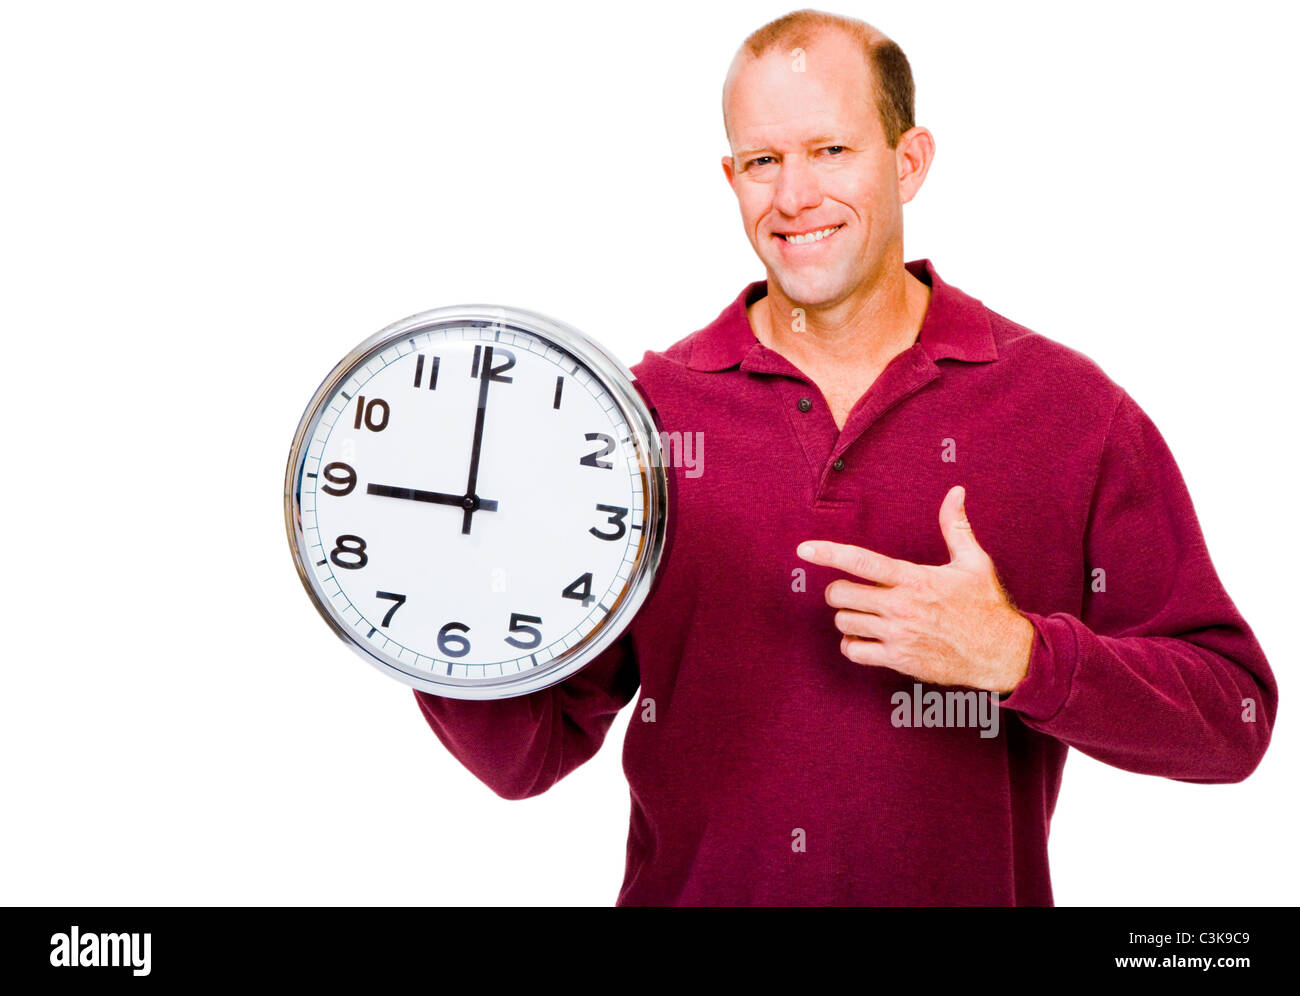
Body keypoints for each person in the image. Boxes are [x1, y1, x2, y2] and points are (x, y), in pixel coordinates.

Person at [414, 8, 1277, 905]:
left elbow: (1232, 721)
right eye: (762, 161)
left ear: (909, 162)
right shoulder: (637, 422)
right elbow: (530, 755)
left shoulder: (1067, 410)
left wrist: (1017, 655)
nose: (793, 198)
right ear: (731, 176)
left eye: (830, 151)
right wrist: (438, 599)